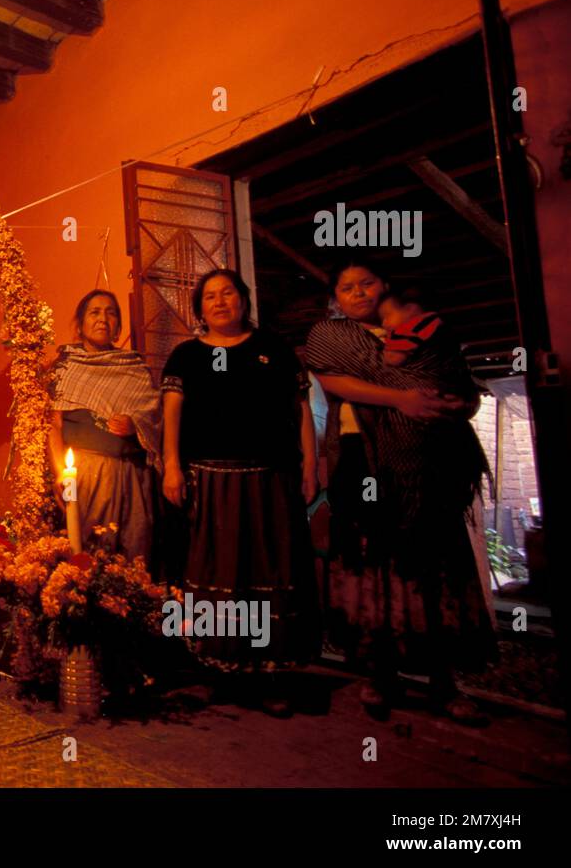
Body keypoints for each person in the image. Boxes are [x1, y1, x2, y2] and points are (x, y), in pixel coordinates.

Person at [306, 255, 494, 725]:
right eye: (347, 288)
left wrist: (459, 401)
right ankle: (379, 674)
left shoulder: (425, 331)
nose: (359, 293)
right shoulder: (331, 337)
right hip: (364, 463)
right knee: (375, 564)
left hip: (430, 468)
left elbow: (458, 385)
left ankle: (445, 682)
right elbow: (334, 381)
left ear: (384, 285)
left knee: (435, 565)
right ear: (336, 300)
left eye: (366, 283)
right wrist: (404, 398)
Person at [160, 269, 320, 717]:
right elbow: (172, 415)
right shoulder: (186, 356)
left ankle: (272, 672)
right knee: (217, 574)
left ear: (244, 299)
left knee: (268, 570)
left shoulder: (274, 350)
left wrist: (310, 462)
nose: (219, 301)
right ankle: (215, 672)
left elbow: (300, 408)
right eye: (209, 296)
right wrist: (171, 466)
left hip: (270, 478)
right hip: (209, 479)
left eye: (227, 292)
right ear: (199, 308)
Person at [48, 289, 160, 559]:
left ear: (118, 326)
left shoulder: (134, 368)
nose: (103, 319)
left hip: (131, 477)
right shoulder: (64, 367)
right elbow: (54, 425)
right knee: (87, 553)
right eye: (94, 312)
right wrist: (61, 475)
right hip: (85, 475)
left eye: (111, 313)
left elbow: (155, 417)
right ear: (80, 324)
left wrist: (136, 425)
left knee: (134, 555)